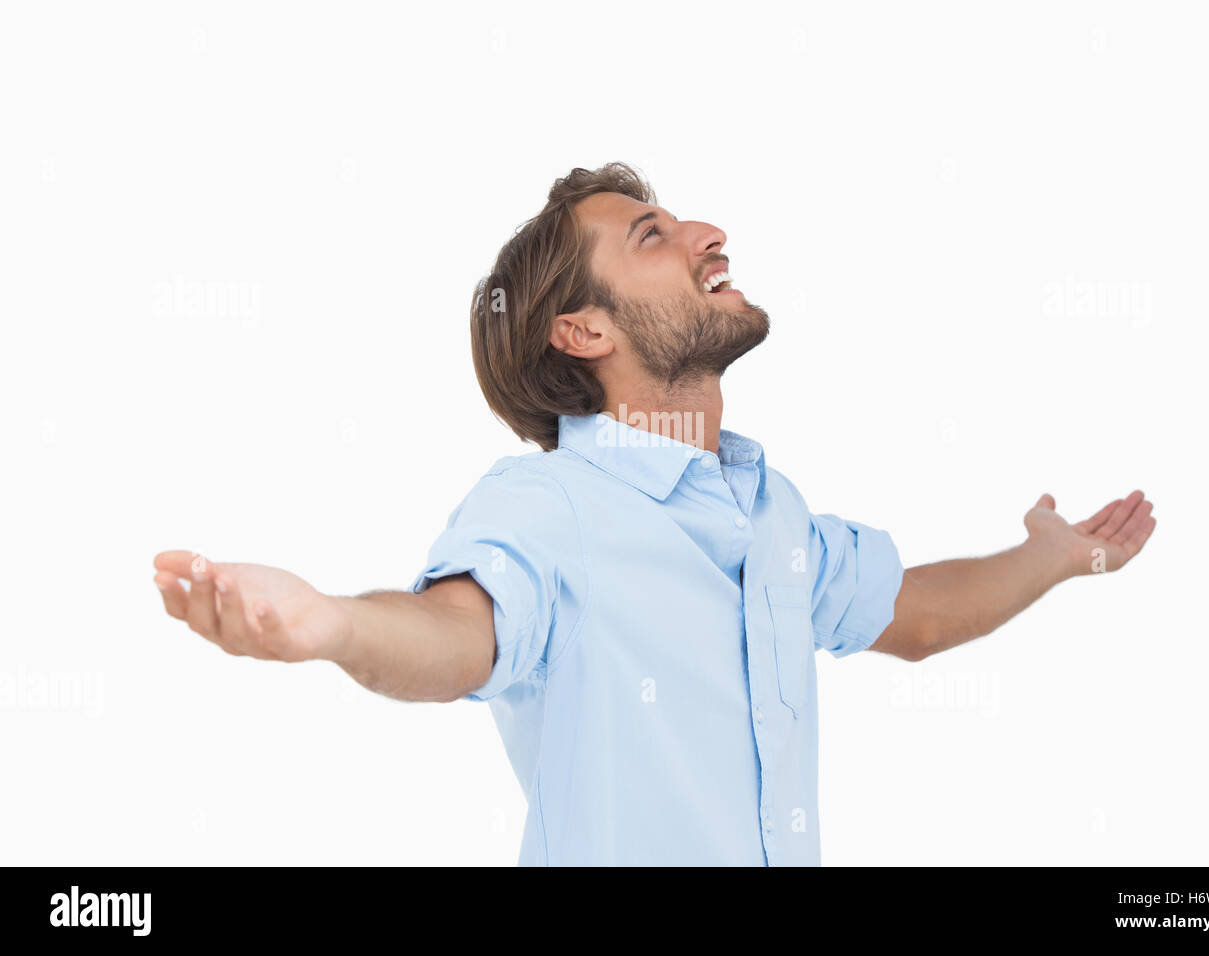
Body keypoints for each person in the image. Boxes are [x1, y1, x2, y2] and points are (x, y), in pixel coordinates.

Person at [153, 163, 1157, 865]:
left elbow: (919, 613)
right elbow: (462, 633)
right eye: (652, 236)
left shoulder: (770, 513)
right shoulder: (546, 508)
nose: (707, 235)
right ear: (582, 327)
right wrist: (332, 623)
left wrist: (1053, 555)